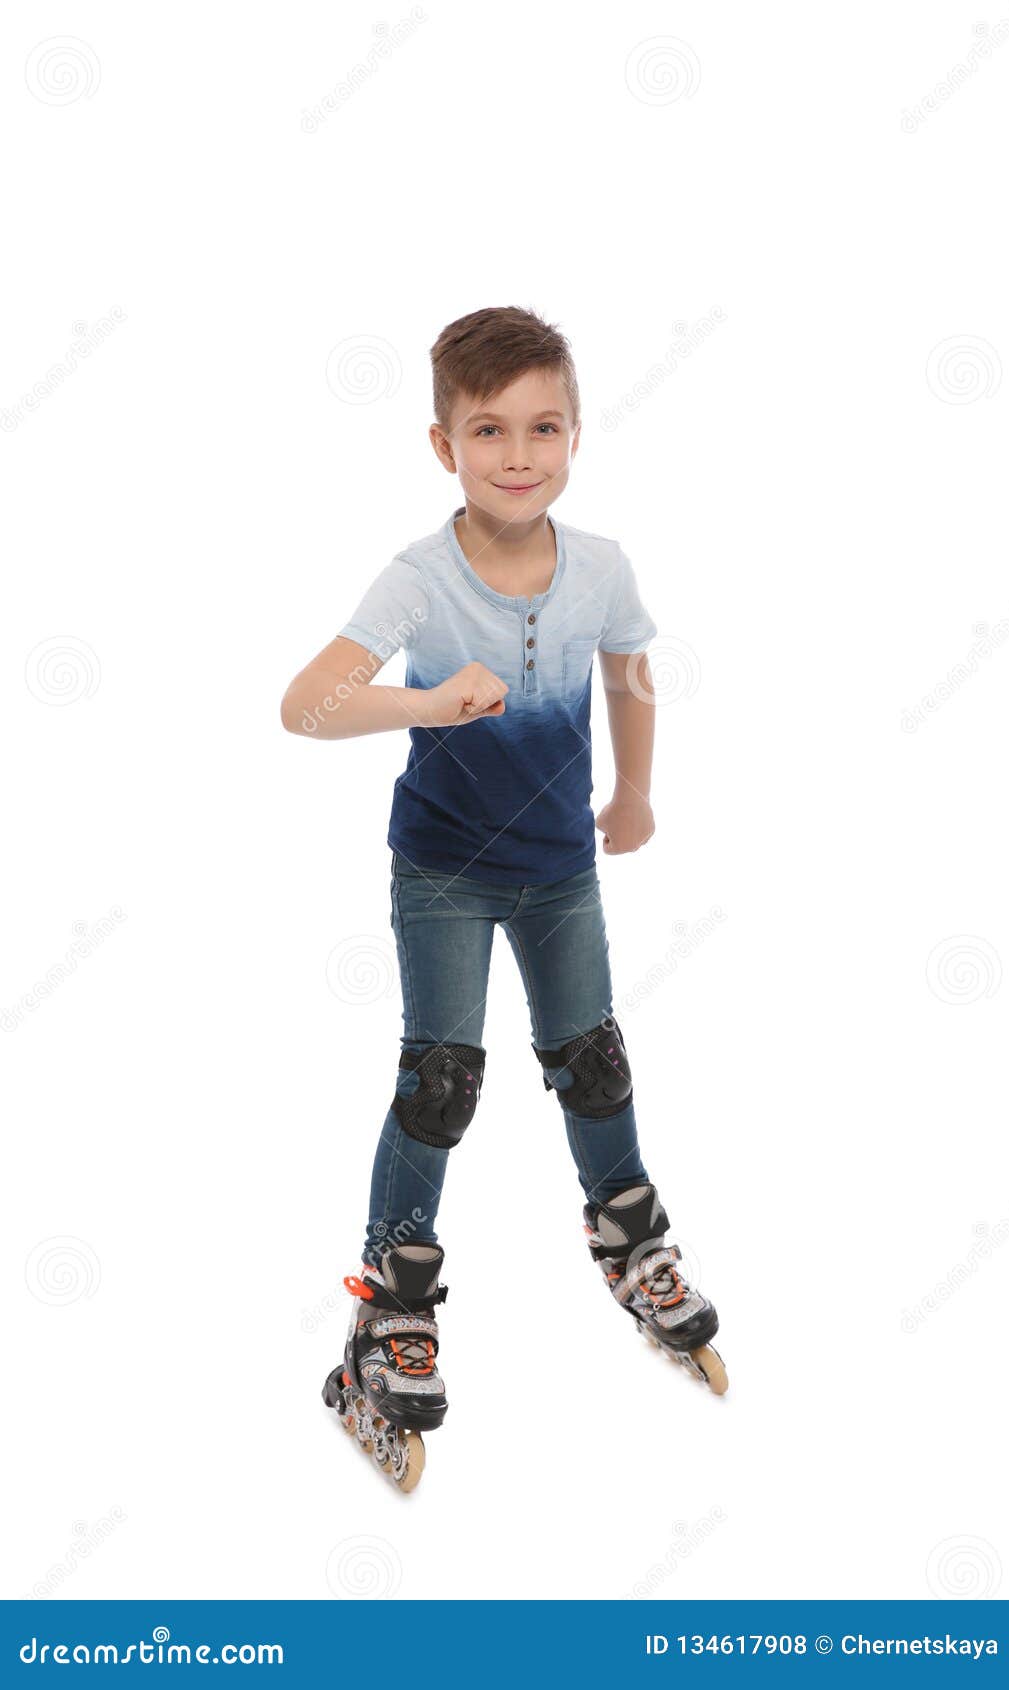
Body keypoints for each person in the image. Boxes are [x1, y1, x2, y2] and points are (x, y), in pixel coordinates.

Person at [281, 306, 726, 1488]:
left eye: (541, 427)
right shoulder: (420, 582)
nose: (516, 454)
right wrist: (426, 703)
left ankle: (631, 1244)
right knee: (440, 1082)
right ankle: (390, 1300)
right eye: (488, 430)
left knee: (594, 1059)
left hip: (559, 871)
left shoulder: (602, 568)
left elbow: (631, 675)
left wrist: (634, 791)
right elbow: (305, 703)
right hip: (441, 867)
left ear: (575, 435)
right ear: (445, 446)